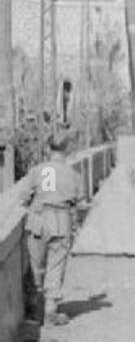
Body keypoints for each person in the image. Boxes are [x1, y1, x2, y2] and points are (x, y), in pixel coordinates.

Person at [21, 130, 87, 327]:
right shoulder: (74, 175)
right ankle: (50, 311)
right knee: (55, 267)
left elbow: (23, 198)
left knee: (35, 267)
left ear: (49, 149)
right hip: (61, 221)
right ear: (67, 150)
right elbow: (81, 203)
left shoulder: (37, 170)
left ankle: (34, 310)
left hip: (38, 221)